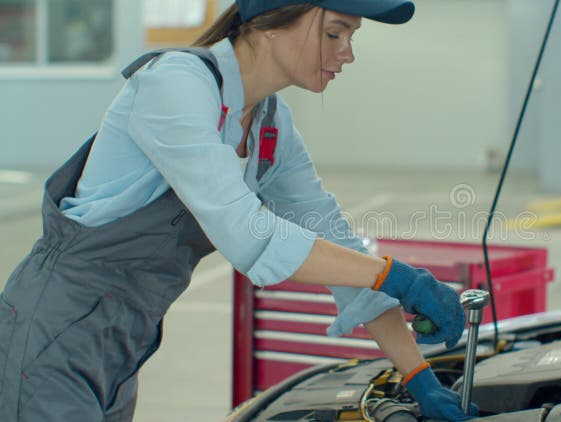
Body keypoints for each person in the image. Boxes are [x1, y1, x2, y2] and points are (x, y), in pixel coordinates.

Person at [0, 1, 478, 420]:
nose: (347, 53)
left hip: (125, 342)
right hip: (53, 331)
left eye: (351, 37)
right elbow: (248, 233)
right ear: (272, 21)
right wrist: (399, 278)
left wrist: (420, 379)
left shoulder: (272, 127)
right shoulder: (174, 85)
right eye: (335, 33)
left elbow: (337, 243)